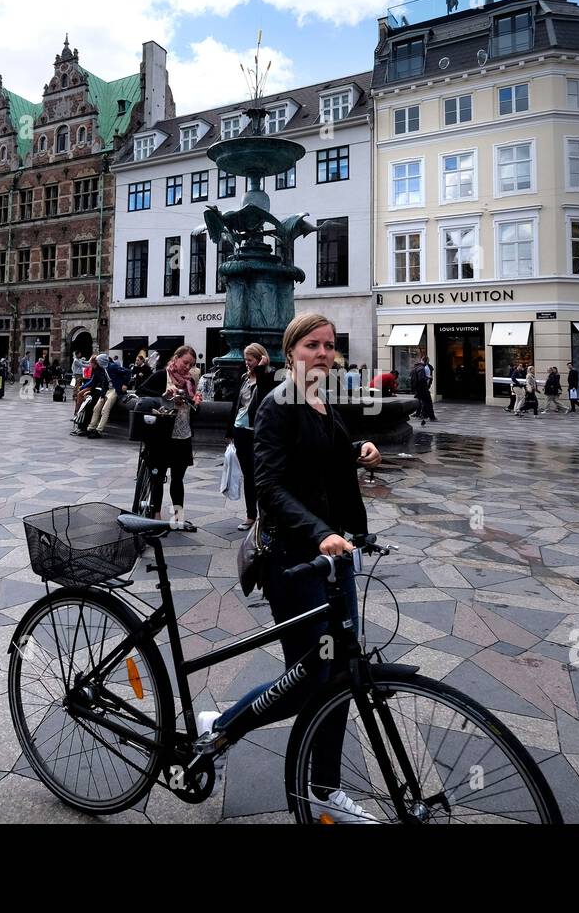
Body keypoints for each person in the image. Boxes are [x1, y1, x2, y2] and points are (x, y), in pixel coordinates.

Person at [198, 312, 382, 824]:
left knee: (340, 673)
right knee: (311, 676)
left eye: (328, 346)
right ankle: (225, 726)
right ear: (290, 352)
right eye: (310, 346)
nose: (322, 353)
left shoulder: (323, 404)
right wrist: (318, 532)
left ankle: (323, 788)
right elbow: (271, 486)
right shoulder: (278, 404)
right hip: (295, 560)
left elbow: (318, 461)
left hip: (333, 557)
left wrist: (356, 451)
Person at [137, 345, 201, 524]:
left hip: (182, 434)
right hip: (162, 434)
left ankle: (178, 518)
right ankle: (156, 514)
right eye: (185, 362)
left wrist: (195, 402)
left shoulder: (190, 382)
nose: (187, 367)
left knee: (178, 479)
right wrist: (163, 395)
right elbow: (141, 391)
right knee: (158, 477)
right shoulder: (161, 375)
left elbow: (193, 411)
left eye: (191, 364)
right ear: (176, 358)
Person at [226, 343, 276, 528]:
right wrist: (229, 431)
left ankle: (266, 516)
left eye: (250, 360)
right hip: (241, 430)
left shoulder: (270, 376)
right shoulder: (244, 378)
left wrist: (263, 368)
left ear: (259, 359)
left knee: (262, 475)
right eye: (245, 359)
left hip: (259, 432)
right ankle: (250, 515)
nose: (246, 363)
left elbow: (265, 396)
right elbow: (236, 404)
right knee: (248, 475)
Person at [409, 359, 434, 425]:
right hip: (422, 388)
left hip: (417, 388)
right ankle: (432, 417)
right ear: (425, 361)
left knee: (420, 401)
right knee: (428, 402)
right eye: (427, 361)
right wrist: (428, 377)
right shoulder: (422, 368)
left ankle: (419, 414)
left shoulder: (415, 367)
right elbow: (421, 379)